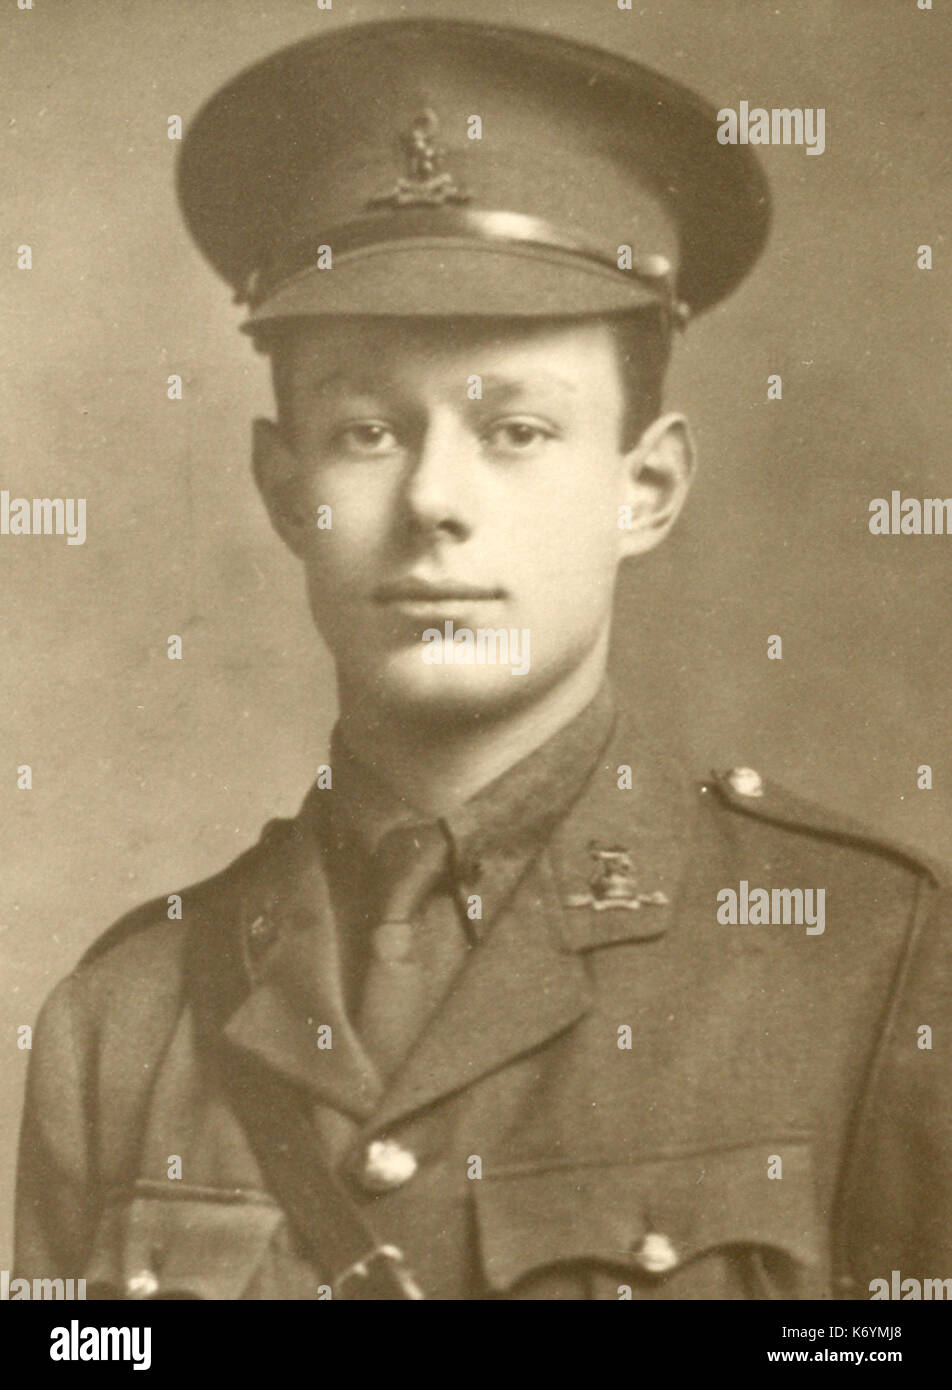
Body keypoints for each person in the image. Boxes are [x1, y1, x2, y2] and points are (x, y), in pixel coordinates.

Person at [14, 18, 951, 1301]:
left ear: (648, 487)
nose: (435, 501)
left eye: (514, 428)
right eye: (363, 430)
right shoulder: (120, 1023)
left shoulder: (871, 966)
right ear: (284, 489)